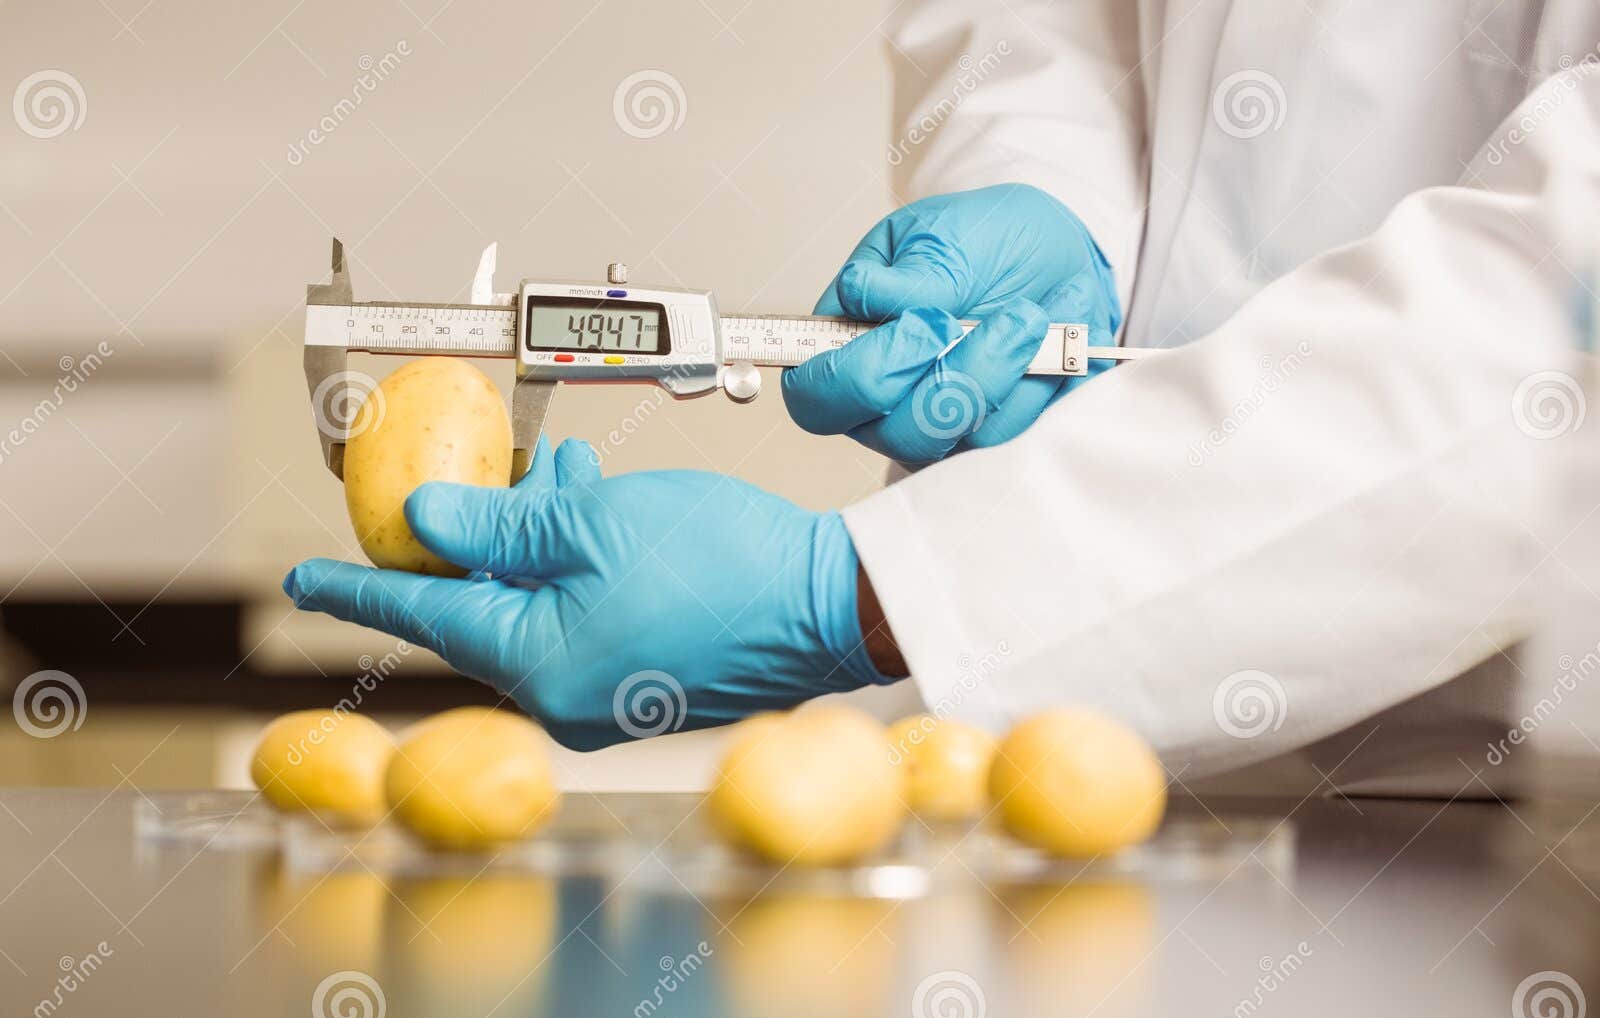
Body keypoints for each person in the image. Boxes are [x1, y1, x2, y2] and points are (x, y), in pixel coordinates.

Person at [285, 3, 1599, 771]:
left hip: (1533, 799)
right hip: (1105, 773)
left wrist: (874, 588)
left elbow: (1563, 324)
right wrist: (1053, 199)